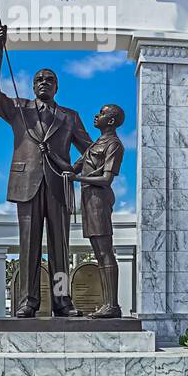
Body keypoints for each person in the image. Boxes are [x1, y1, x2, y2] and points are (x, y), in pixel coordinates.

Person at [0, 24, 92, 317]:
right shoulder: (19, 108)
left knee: (60, 247)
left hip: (58, 185)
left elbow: (90, 151)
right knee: (28, 245)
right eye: (39, 79)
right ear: (33, 86)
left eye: (50, 79)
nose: (44, 82)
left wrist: (73, 168)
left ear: (57, 87)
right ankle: (27, 301)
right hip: (26, 182)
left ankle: (61, 300)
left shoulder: (70, 116)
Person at [67, 103, 126, 318]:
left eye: (101, 113)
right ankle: (108, 304)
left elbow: (106, 179)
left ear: (110, 121)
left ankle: (112, 306)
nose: (96, 115)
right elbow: (71, 167)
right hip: (88, 200)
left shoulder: (114, 145)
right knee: (99, 252)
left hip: (99, 200)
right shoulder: (94, 145)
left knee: (104, 251)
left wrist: (78, 179)